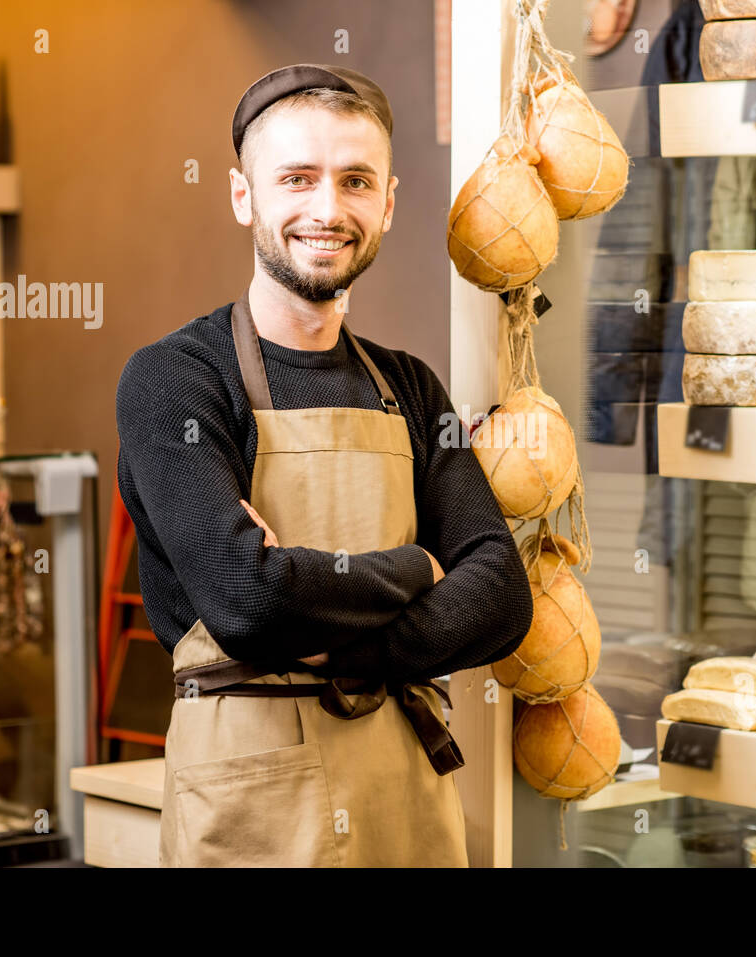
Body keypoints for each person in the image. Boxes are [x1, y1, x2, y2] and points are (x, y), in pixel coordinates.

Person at [115, 64, 534, 867]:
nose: (327, 209)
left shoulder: (409, 385)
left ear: (387, 203)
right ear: (244, 196)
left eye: (354, 181)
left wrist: (352, 641)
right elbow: (247, 599)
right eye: (297, 179)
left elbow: (501, 593)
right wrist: (419, 565)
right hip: (250, 805)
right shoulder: (176, 379)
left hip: (406, 793)